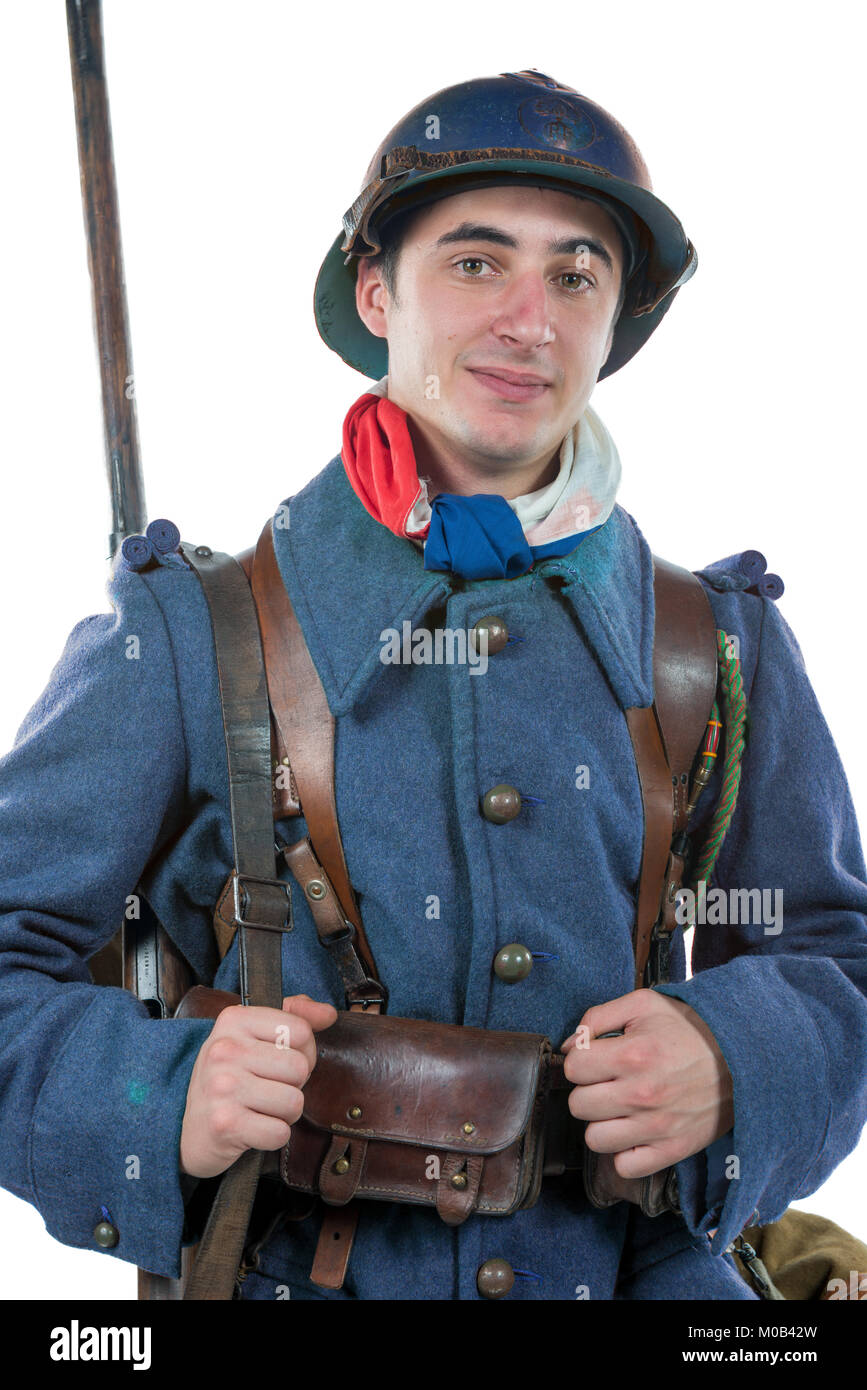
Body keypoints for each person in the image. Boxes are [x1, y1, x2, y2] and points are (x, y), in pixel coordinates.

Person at [1, 68, 865, 1302]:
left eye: (577, 274)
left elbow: (834, 952)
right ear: (375, 292)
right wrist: (155, 1093)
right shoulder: (194, 634)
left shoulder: (716, 646)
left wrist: (745, 1058)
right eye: (475, 263)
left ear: (614, 319)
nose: (531, 319)